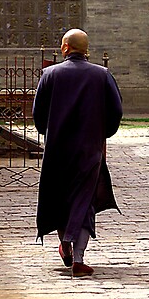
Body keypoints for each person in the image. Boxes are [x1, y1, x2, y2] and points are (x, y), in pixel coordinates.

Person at [32, 28, 123, 277]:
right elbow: (116, 112)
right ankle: (79, 257)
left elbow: (38, 115)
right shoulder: (101, 75)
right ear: (86, 50)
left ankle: (66, 246)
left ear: (64, 48)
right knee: (84, 200)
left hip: (58, 149)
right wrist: (102, 133)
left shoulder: (49, 75)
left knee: (62, 199)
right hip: (89, 149)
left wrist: (49, 131)